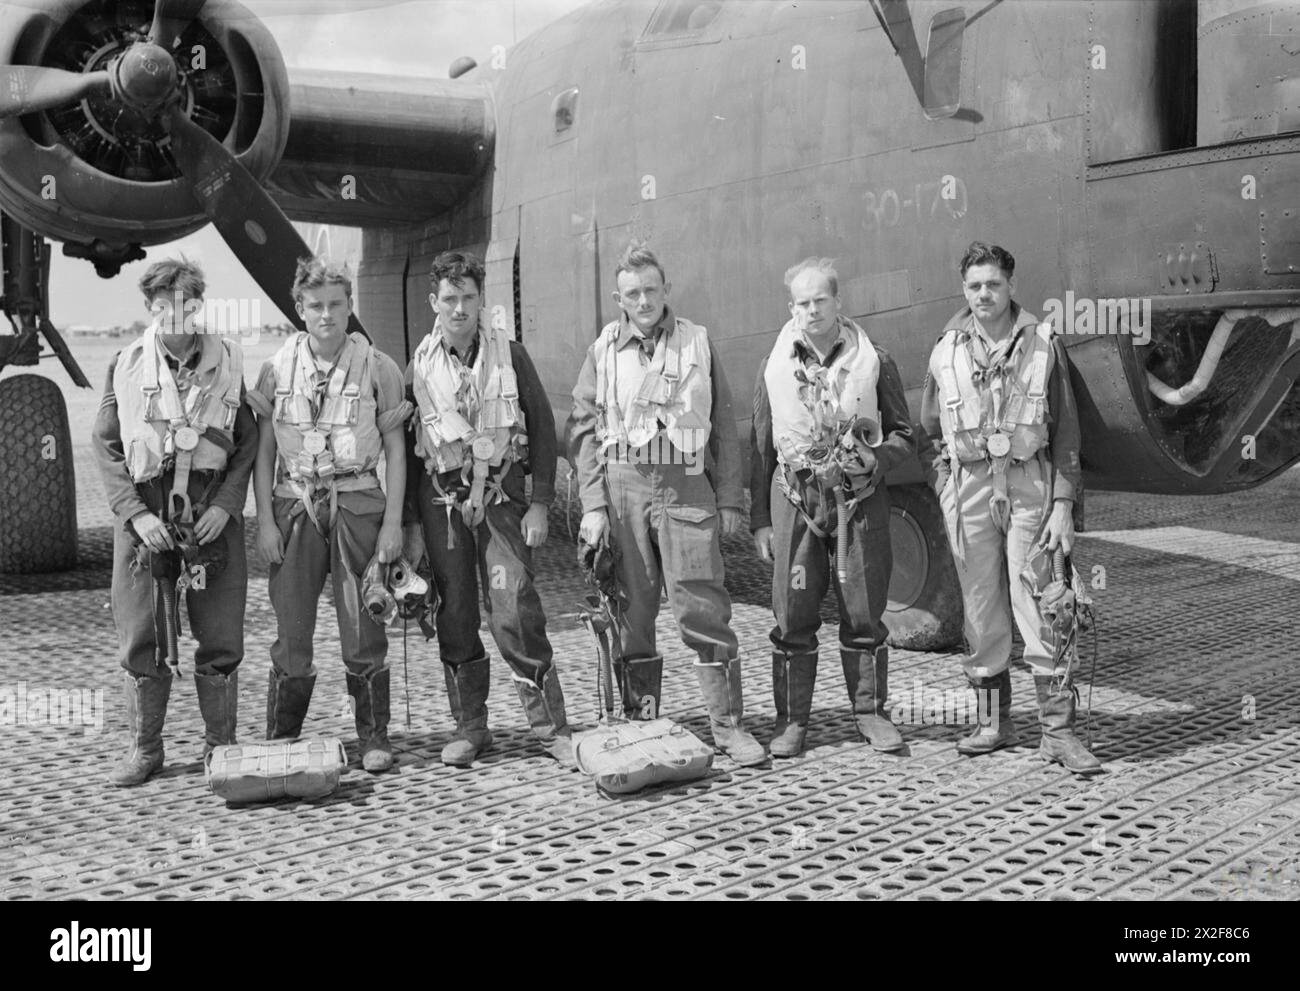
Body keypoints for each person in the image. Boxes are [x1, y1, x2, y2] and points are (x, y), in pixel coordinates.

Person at [566, 244, 765, 767]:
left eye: (652, 289)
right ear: (619, 298)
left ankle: (727, 727)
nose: (644, 299)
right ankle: (644, 721)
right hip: (623, 482)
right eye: (633, 293)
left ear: (666, 290)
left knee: (702, 604)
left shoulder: (696, 341)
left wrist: (728, 498)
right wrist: (592, 506)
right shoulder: (603, 350)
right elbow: (583, 429)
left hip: (684, 481)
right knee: (632, 609)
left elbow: (723, 421)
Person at [918, 241, 1101, 774]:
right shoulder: (945, 348)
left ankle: (1058, 733)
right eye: (974, 285)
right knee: (979, 609)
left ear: (1011, 286)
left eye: (993, 284)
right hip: (970, 484)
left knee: (1043, 603)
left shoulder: (1044, 344)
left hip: (1029, 484)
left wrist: (1063, 505)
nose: (983, 294)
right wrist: (946, 489)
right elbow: (931, 433)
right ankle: (994, 723)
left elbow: (1067, 433)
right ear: (964, 289)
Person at [401, 250, 574, 767]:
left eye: (469, 298)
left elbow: (543, 428)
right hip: (443, 505)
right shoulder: (419, 366)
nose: (459, 309)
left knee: (514, 604)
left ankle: (551, 727)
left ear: (482, 300)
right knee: (454, 611)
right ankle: (471, 726)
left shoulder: (511, 356)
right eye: (449, 299)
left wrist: (540, 503)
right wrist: (411, 526)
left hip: (502, 501)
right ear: (434, 301)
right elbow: (409, 453)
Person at [93, 258, 255, 786]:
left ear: (198, 306)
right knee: (141, 632)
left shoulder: (230, 361)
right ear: (151, 309)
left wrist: (227, 505)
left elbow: (247, 442)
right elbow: (107, 445)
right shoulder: (126, 363)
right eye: (163, 306)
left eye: (185, 304)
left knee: (221, 632)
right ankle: (145, 749)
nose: (175, 315)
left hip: (210, 519)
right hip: (146, 519)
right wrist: (135, 516)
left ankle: (220, 747)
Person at [248, 257, 410, 773]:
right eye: (315, 306)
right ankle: (283, 735)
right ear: (299, 309)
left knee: (362, 624)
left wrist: (391, 526)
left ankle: (373, 736)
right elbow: (265, 451)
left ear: (349, 307)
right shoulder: (276, 370)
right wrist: (265, 522)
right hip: (296, 505)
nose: (326, 315)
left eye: (336, 305)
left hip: (358, 501)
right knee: (292, 628)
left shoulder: (377, 367)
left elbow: (396, 451)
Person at [750, 258, 915, 757]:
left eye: (822, 299)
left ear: (838, 302)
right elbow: (761, 446)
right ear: (791, 308)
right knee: (792, 613)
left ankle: (869, 713)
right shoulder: (774, 366)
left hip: (859, 500)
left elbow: (905, 436)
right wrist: (760, 519)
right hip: (797, 500)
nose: (813, 309)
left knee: (864, 612)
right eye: (803, 302)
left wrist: (877, 458)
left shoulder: (876, 360)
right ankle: (792, 721)